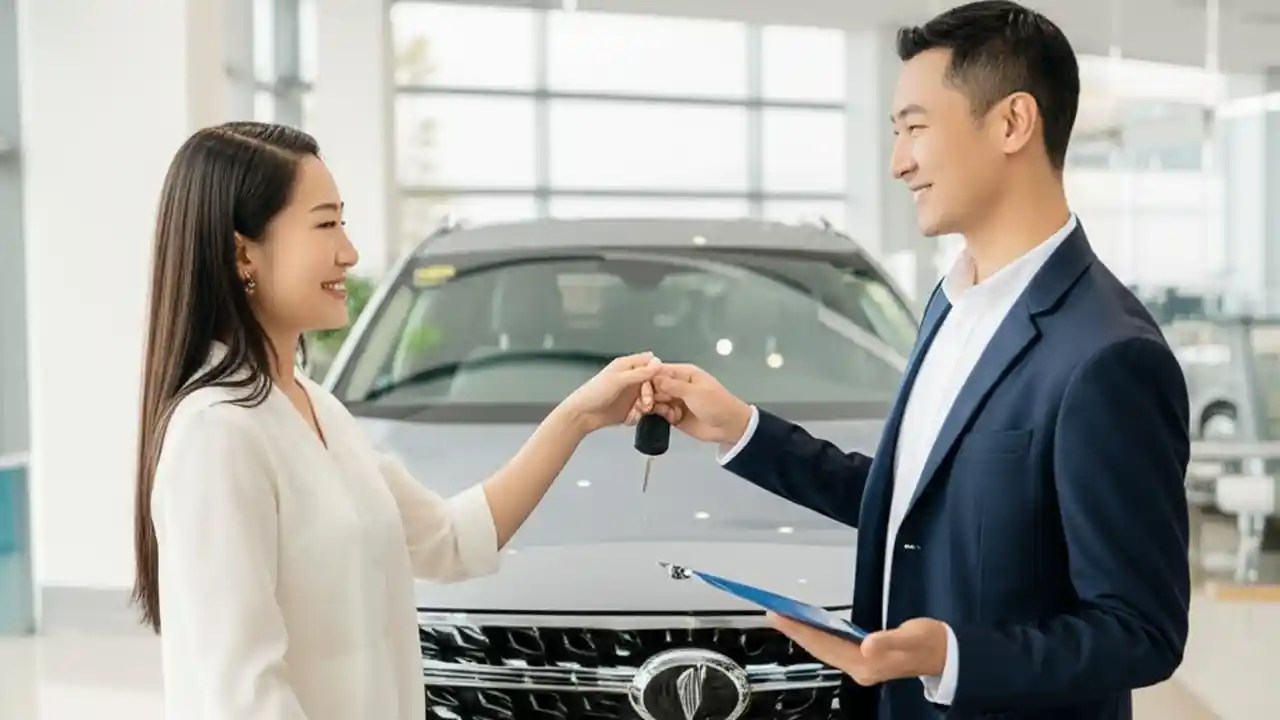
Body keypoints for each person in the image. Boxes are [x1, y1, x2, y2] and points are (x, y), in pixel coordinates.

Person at [637, 2, 1191, 718]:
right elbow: (913, 507)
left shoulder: (1109, 357)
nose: (899, 162)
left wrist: (951, 658)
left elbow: (1140, 632)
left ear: (1013, 123)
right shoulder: (950, 303)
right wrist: (742, 428)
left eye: (915, 129)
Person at [132, 121, 662, 720]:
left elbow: (451, 540)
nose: (350, 253)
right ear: (241, 252)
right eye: (326, 223)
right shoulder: (217, 435)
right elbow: (244, 698)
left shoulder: (316, 407)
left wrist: (578, 418)